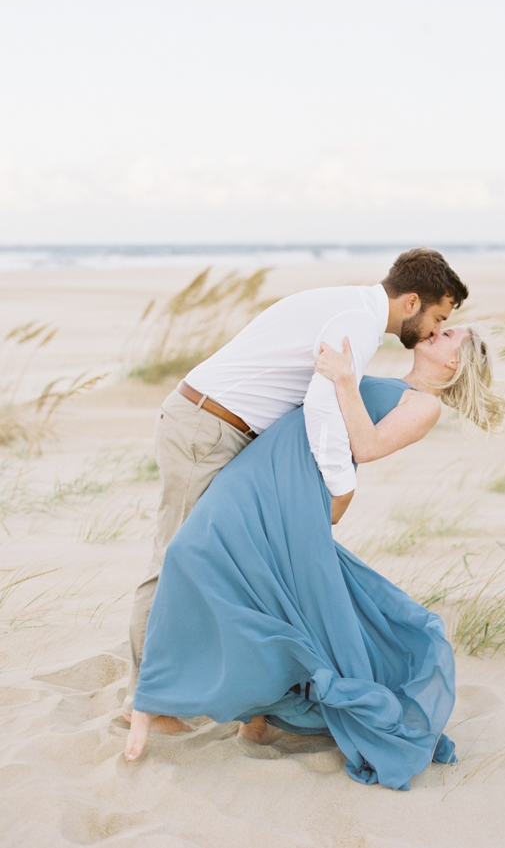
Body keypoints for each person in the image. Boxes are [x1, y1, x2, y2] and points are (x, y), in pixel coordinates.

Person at [124, 322, 505, 790]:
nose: (440, 330)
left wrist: (345, 378)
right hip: (269, 464)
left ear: (454, 363)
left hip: (292, 484)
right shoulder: (394, 381)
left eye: (452, 335)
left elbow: (364, 447)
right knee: (233, 573)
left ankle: (148, 707)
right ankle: (251, 715)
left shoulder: (425, 405)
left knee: (196, 556)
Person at [122, 247, 466, 735]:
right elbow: (322, 406)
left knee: (228, 564)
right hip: (209, 427)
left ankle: (238, 704)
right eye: (438, 318)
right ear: (412, 301)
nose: (434, 331)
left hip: (229, 434)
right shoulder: (357, 323)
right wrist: (341, 492)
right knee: (179, 557)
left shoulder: (351, 310)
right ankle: (145, 701)